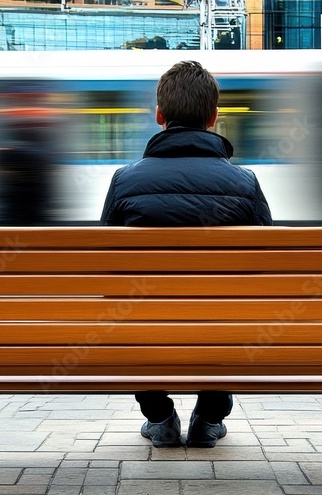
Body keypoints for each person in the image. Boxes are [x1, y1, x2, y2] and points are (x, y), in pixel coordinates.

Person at [100, 60, 273, 448]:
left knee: (131, 313)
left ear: (160, 115)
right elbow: (264, 265)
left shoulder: (125, 180)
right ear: (213, 118)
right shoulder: (244, 183)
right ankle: (209, 417)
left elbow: (108, 265)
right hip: (223, 328)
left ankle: (159, 416)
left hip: (143, 326)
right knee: (232, 310)